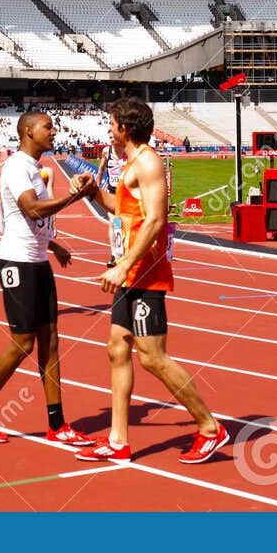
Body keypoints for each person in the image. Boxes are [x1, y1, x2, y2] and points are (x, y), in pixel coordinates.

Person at [79, 98, 227, 465]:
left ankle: (210, 427)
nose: (108, 131)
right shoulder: (130, 162)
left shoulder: (148, 162)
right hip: (128, 270)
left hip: (144, 271)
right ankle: (118, 441)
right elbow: (123, 209)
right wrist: (94, 192)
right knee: (117, 349)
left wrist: (124, 264)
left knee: (152, 357)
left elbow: (156, 220)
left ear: (125, 128)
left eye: (111, 124)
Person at [0, 111, 97, 448]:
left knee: (50, 341)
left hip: (36, 261)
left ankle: (57, 423)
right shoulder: (16, 166)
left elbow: (25, 220)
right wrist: (74, 197)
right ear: (28, 131)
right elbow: (32, 209)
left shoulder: (35, 168)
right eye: (48, 127)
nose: (54, 131)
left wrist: (53, 245)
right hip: (14, 260)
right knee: (23, 341)